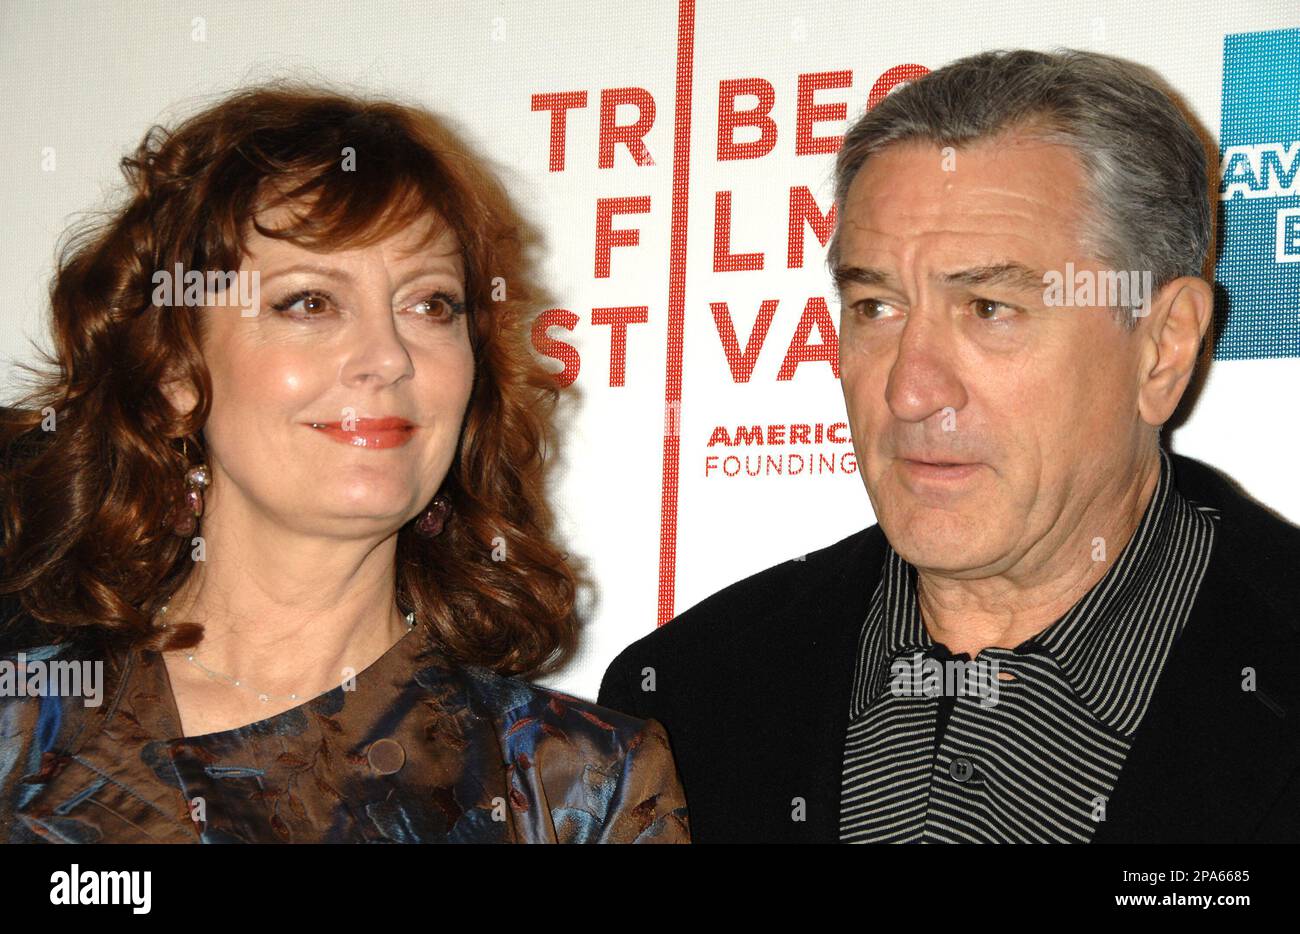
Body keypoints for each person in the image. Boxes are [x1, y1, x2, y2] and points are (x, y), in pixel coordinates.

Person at [599, 48, 1300, 843]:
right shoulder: (682, 698)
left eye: (990, 308)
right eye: (875, 307)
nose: (910, 390)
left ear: (1163, 346)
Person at [0, 84, 688, 844]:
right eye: (309, 304)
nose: (388, 358)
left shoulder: (578, 786)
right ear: (176, 372)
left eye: (431, 304)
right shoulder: (21, 733)